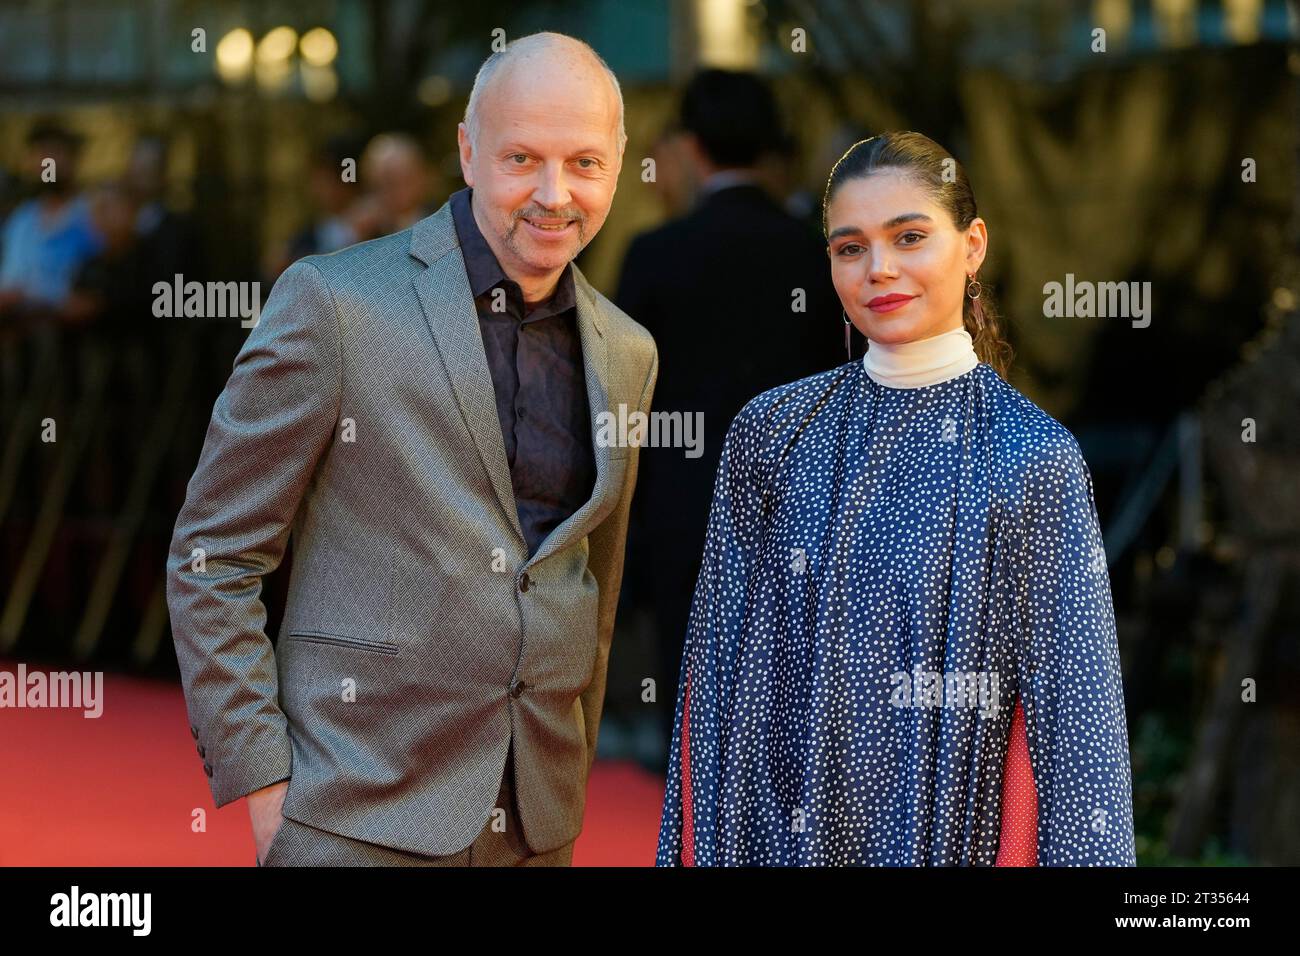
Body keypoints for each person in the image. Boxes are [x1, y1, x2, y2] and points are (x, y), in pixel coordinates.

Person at [167, 31, 657, 867]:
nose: (553, 193)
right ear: (468, 152)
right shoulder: (336, 303)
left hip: (537, 823)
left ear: (618, 162)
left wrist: (562, 785)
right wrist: (261, 778)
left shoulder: (628, 351)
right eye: (521, 158)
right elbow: (214, 553)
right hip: (352, 812)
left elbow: (591, 590)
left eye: (584, 163)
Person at [655, 131, 1136, 866]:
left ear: (973, 245)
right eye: (850, 248)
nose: (880, 269)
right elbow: (714, 683)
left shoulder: (1033, 459)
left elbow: (1078, 729)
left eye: (909, 237)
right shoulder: (769, 435)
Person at [615, 69, 842, 753]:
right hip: (801, 500)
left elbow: (628, 399)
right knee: (794, 702)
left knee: (693, 712)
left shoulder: (655, 255)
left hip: (685, 504)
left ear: (692, 146)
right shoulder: (816, 252)